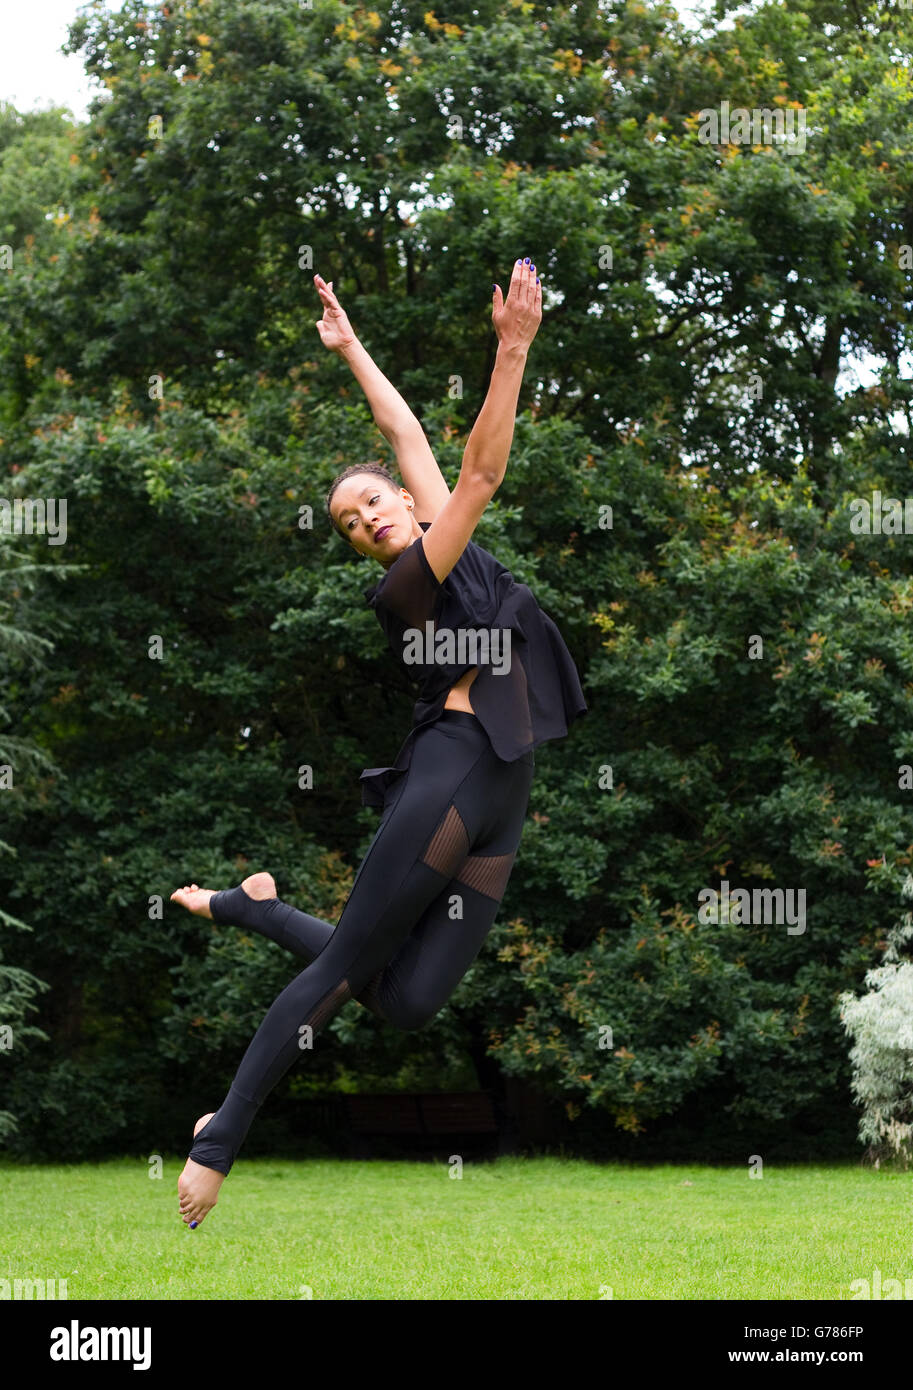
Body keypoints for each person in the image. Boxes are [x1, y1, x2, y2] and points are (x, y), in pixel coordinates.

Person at [170, 258, 587, 1227]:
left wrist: (350, 345)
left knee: (405, 1002)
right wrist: (513, 350)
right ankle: (219, 1140)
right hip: (449, 770)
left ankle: (257, 905)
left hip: (504, 785)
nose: (367, 519)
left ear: (403, 498)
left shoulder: (442, 528)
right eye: (353, 526)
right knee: (343, 972)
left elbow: (408, 436)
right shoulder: (409, 583)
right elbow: (482, 469)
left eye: (372, 502)